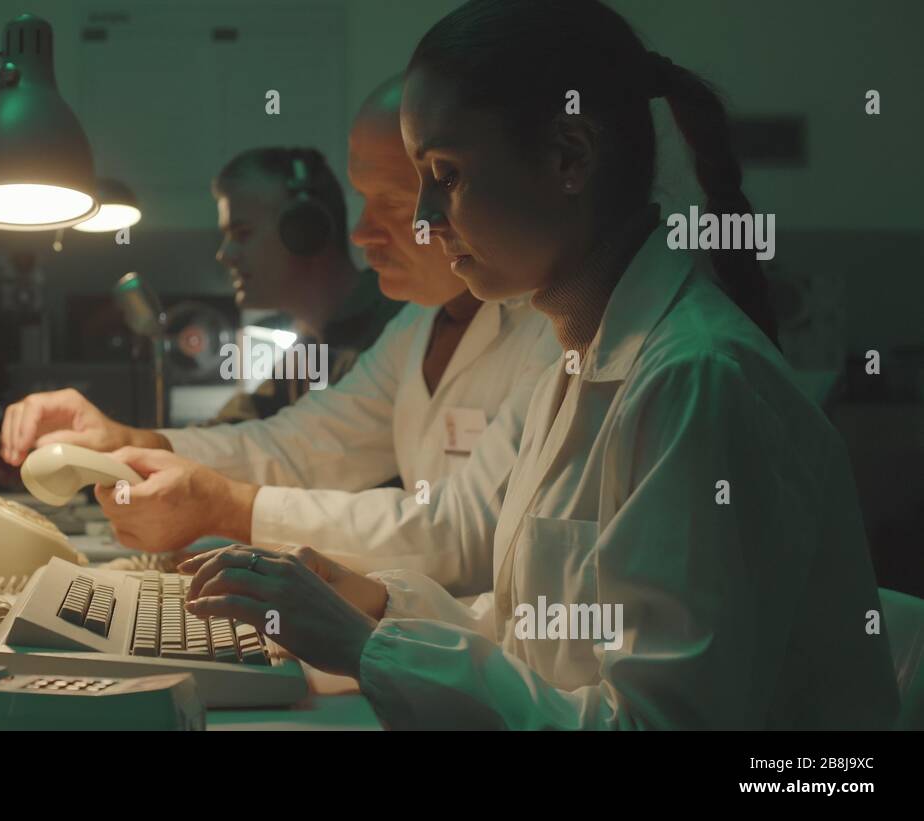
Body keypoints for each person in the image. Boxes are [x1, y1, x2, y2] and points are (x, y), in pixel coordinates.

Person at [178, 0, 899, 730]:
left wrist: (367, 646)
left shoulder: (696, 379)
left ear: (568, 157)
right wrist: (375, 600)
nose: (424, 218)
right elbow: (547, 632)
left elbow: (652, 724)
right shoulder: (579, 354)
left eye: (445, 174)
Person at [0, 76, 559, 593]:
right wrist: (127, 441)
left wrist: (229, 508)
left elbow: (463, 535)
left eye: (389, 200)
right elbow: (294, 447)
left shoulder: (555, 330)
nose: (363, 233)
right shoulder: (418, 323)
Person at [205, 147, 401, 424]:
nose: (225, 254)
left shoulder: (397, 327)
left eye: (242, 233)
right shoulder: (307, 349)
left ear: (305, 230)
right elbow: (243, 424)